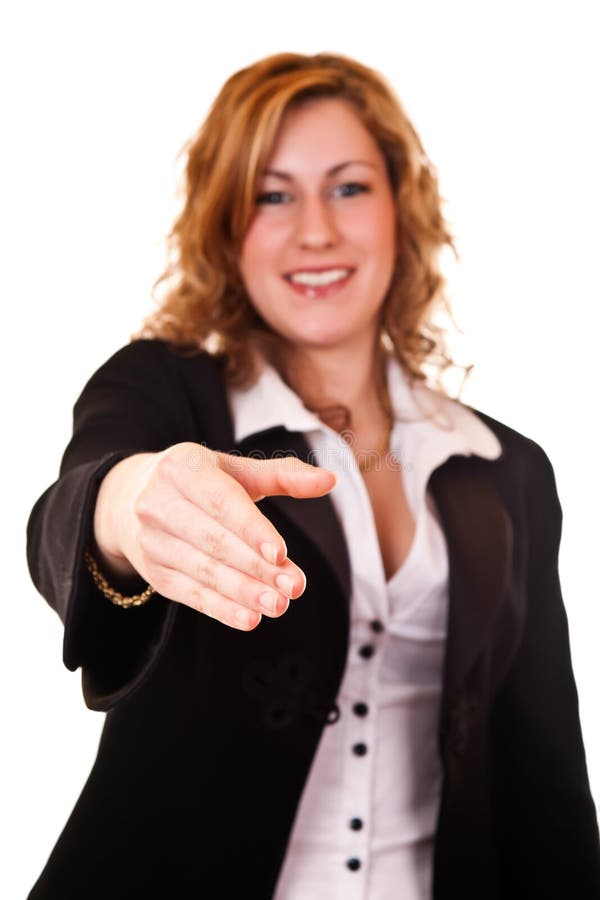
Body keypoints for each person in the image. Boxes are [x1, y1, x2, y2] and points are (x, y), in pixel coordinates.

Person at [26, 52, 599, 900]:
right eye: (272, 194)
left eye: (349, 187)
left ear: (403, 209)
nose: (316, 231)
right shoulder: (164, 390)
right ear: (227, 225)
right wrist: (130, 505)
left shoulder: (505, 466)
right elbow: (84, 500)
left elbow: (545, 777)